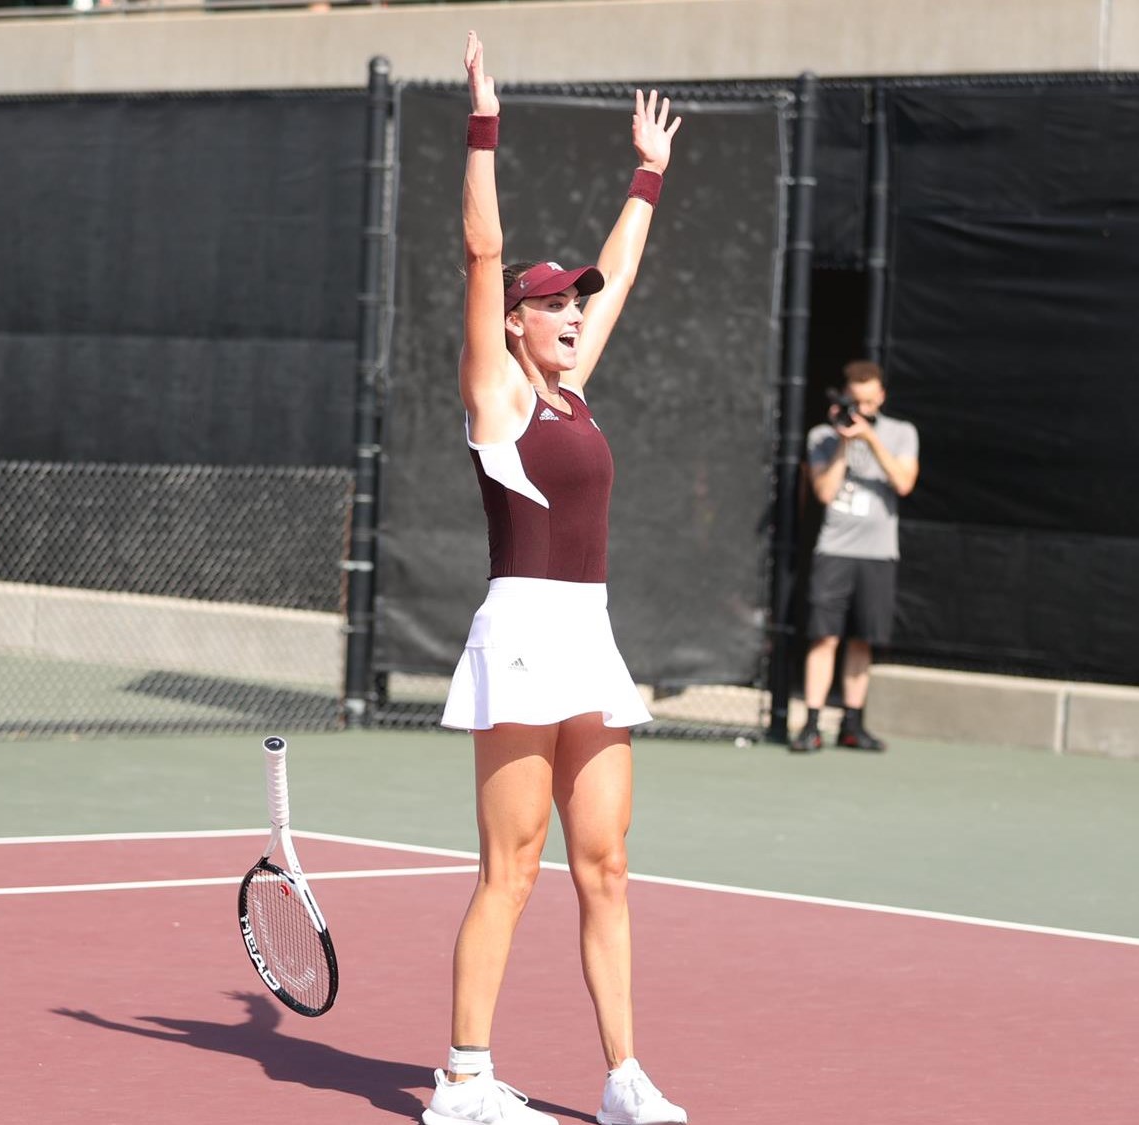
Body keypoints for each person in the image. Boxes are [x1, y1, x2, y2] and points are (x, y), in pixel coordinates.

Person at [426, 31, 688, 1125]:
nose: (575, 313)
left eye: (576, 306)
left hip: (589, 634)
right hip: (523, 633)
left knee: (606, 863)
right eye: (555, 304)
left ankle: (623, 1078)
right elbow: (481, 250)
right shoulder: (497, 392)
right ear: (514, 322)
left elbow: (617, 273)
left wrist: (647, 176)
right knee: (513, 864)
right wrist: (483, 126)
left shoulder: (574, 390)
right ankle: (462, 1080)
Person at [791, 359, 920, 753]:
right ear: (847, 396)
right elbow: (824, 492)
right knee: (824, 637)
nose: (862, 408)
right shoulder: (822, 437)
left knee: (863, 640)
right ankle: (812, 724)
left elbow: (904, 483)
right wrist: (845, 441)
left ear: (880, 397)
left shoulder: (901, 433)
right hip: (834, 550)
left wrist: (870, 438)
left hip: (878, 554)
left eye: (869, 401)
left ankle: (852, 724)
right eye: (856, 401)